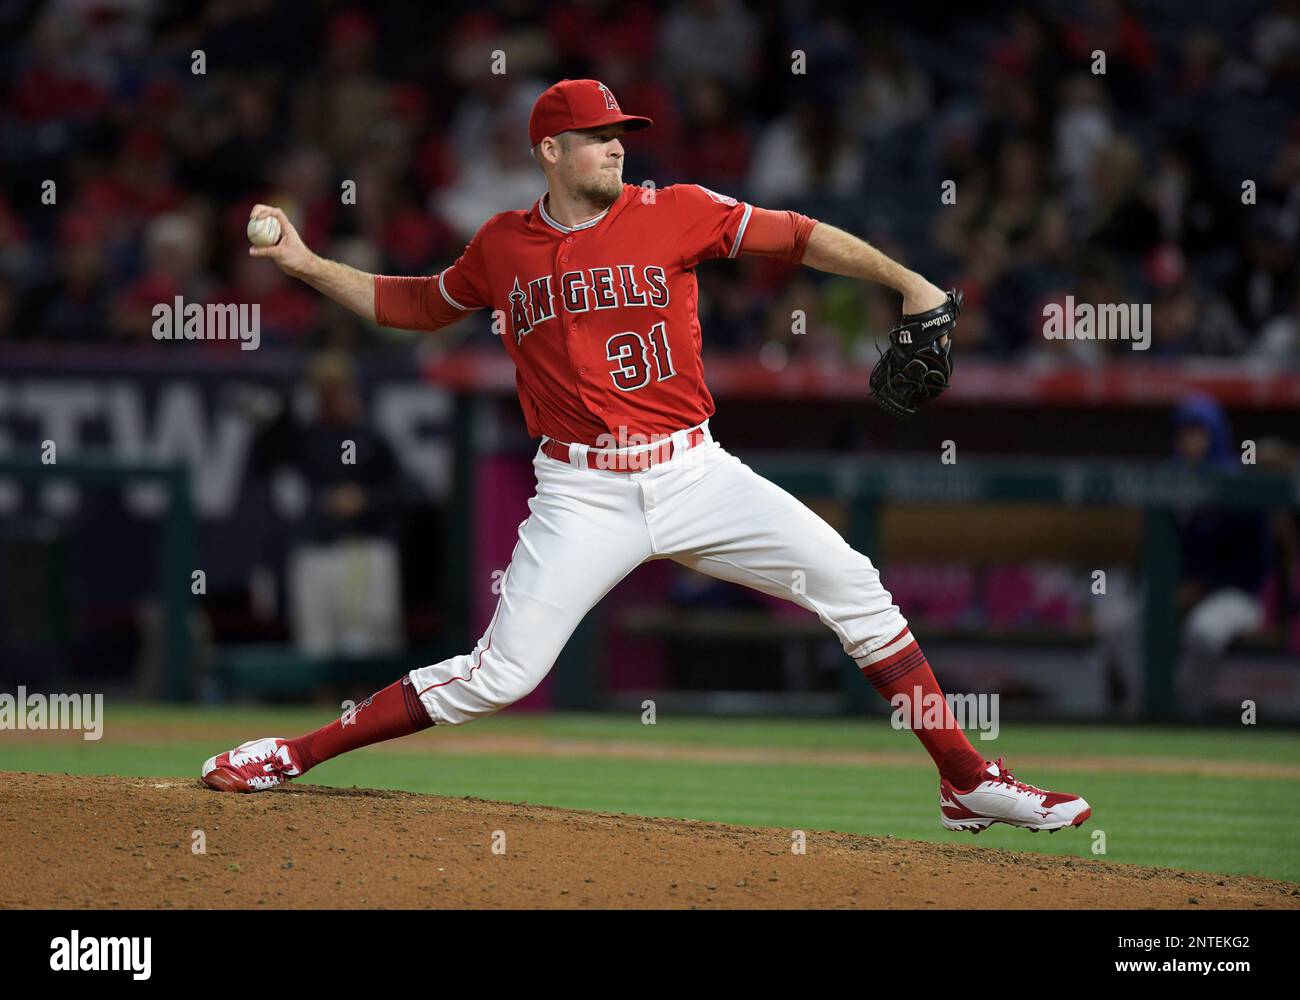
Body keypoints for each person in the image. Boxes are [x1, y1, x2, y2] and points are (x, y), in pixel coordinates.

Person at [201, 79, 1090, 835]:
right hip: (581, 493)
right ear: (551, 151)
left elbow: (802, 235)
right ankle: (292, 752)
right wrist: (310, 264)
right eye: (598, 139)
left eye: (622, 135)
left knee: (854, 583)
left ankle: (965, 779)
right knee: (498, 676)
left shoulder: (678, 212)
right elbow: (413, 304)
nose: (618, 149)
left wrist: (911, 283)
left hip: (695, 470)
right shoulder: (501, 246)